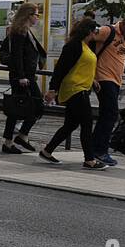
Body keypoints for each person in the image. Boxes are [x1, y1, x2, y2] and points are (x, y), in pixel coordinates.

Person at [39, 18, 105, 170]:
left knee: (70, 124)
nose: (97, 33)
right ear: (89, 30)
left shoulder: (86, 46)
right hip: (75, 89)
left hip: (81, 88)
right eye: (95, 30)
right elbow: (61, 68)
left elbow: (83, 66)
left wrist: (93, 80)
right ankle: (89, 160)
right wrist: (52, 90)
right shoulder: (74, 45)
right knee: (87, 123)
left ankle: (47, 151)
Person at [88, 12, 125, 167]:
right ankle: (99, 149)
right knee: (110, 114)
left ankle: (94, 148)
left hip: (116, 81)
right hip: (104, 78)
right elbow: (87, 38)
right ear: (123, 24)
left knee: (107, 114)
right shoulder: (107, 31)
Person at [0, 2, 45, 154]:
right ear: (28, 15)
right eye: (36, 15)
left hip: (27, 76)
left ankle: (14, 139)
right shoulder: (20, 32)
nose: (37, 18)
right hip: (22, 78)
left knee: (20, 109)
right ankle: (18, 137)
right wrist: (21, 76)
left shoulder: (25, 31)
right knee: (35, 106)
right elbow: (17, 56)